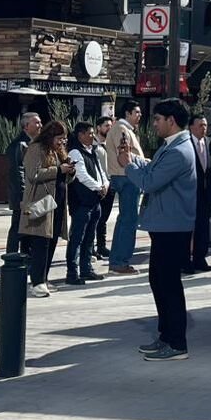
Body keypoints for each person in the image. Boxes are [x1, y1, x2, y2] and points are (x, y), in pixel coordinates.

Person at [118, 97, 196, 362]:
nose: (154, 124)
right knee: (159, 281)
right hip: (165, 225)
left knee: (169, 284)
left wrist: (128, 165)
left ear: (171, 121)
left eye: (158, 119)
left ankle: (177, 343)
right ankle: (166, 336)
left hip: (172, 227)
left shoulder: (179, 150)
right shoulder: (174, 145)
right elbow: (153, 169)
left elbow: (149, 182)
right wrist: (136, 161)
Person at [18, 120, 75, 297]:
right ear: (50, 136)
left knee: (51, 242)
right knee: (40, 243)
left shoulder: (58, 151)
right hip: (40, 203)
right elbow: (33, 174)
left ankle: (44, 277)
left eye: (64, 139)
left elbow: (63, 178)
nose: (62, 142)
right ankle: (37, 281)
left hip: (56, 203)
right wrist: (58, 170)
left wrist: (70, 172)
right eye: (59, 138)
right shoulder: (35, 148)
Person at [65, 122, 108, 285]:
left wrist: (105, 185)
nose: (92, 136)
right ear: (80, 135)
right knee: (77, 238)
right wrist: (98, 187)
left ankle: (86, 269)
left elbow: (101, 171)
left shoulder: (93, 151)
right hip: (81, 202)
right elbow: (81, 176)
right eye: (89, 133)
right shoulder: (75, 152)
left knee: (90, 238)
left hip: (95, 201)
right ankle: (72, 272)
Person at [106, 99, 145, 274]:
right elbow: (126, 155)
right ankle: (120, 261)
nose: (140, 115)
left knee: (125, 220)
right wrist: (146, 163)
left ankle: (118, 260)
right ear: (128, 113)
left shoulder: (122, 129)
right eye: (136, 112)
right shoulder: (122, 130)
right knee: (128, 221)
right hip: (126, 176)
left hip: (124, 176)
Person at [5, 112, 42, 254]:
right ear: (26, 126)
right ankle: (12, 258)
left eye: (40, 122)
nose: (40, 126)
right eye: (36, 123)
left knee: (30, 228)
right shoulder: (19, 145)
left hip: (34, 194)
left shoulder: (34, 143)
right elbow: (17, 172)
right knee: (18, 227)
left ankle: (26, 255)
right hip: (24, 195)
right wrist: (22, 196)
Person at [186, 113, 211, 273]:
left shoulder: (210, 143)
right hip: (189, 194)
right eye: (200, 125)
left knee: (203, 228)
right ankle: (186, 261)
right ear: (191, 127)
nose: (204, 128)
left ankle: (200, 259)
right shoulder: (186, 144)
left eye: (205, 125)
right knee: (188, 229)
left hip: (205, 195)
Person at [94, 115, 115, 258]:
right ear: (98, 127)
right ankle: (90, 248)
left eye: (111, 125)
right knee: (96, 218)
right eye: (106, 126)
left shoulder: (110, 144)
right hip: (97, 186)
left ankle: (101, 246)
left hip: (111, 184)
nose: (109, 128)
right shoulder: (93, 145)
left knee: (104, 218)